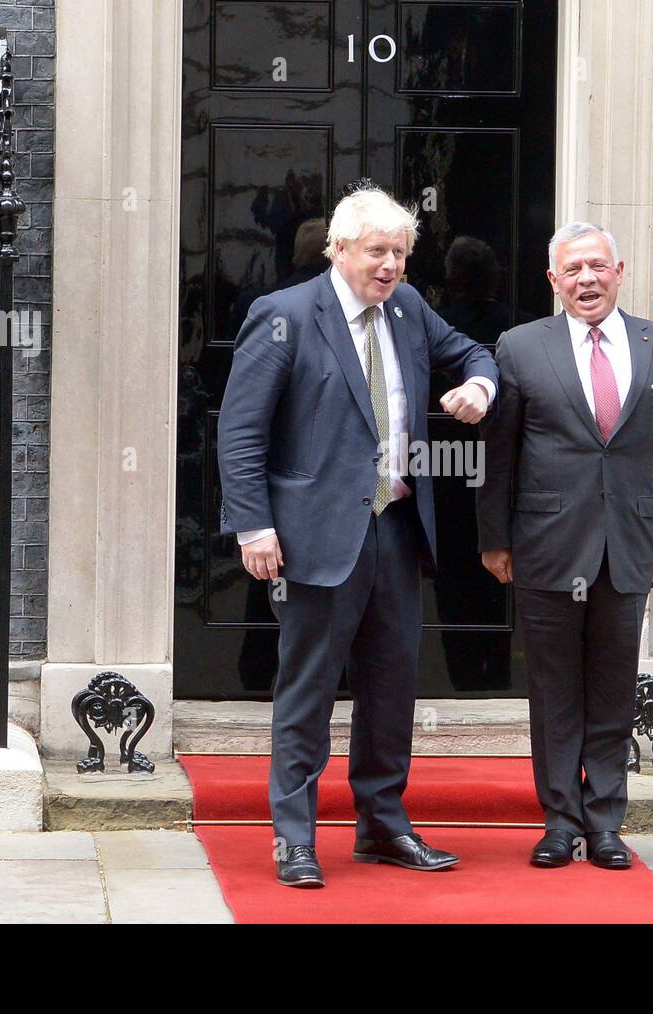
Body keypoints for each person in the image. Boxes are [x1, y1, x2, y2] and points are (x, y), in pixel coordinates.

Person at [218, 184, 499, 888]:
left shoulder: (407, 309)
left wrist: (480, 389)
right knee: (307, 691)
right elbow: (241, 431)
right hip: (313, 538)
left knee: (390, 687)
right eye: (378, 251)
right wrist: (253, 525)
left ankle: (382, 824)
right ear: (338, 249)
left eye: (401, 253)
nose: (392, 266)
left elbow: (475, 352)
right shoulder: (282, 316)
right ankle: (295, 839)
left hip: (397, 532)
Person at [476, 223, 653, 870]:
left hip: (629, 548)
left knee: (612, 690)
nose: (587, 280)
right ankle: (558, 822)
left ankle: (604, 824)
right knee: (553, 691)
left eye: (597, 266)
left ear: (620, 270)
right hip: (545, 546)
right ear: (553, 280)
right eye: (572, 270)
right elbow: (499, 456)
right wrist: (495, 540)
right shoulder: (519, 349)